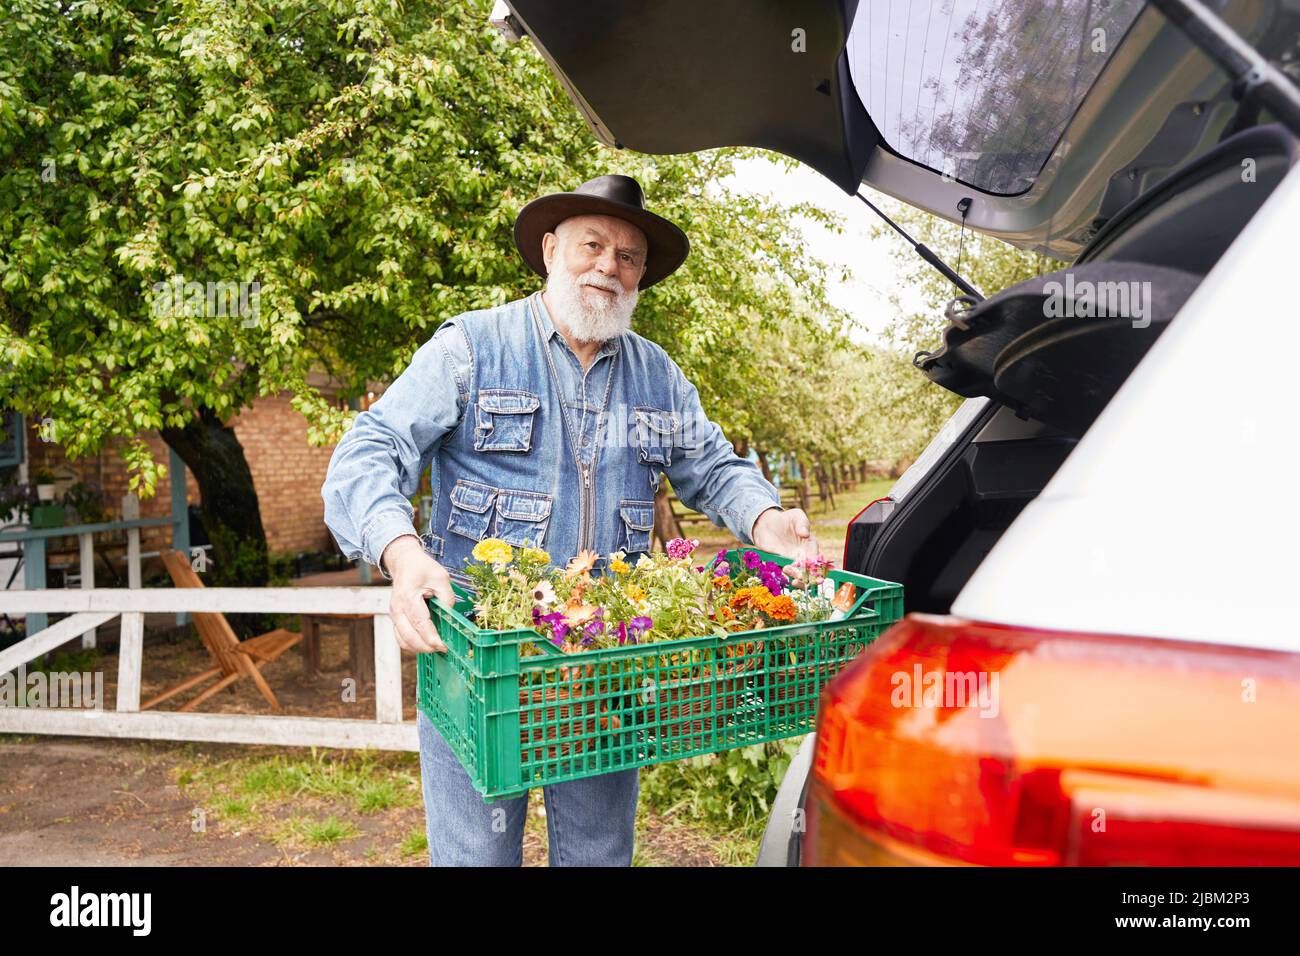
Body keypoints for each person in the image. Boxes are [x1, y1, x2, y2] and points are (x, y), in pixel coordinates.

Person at [321, 174, 818, 866]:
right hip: (481, 668)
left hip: (605, 664)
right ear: (552, 250)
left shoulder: (658, 376)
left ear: (642, 276)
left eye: (629, 257)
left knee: (597, 854)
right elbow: (371, 449)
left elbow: (713, 466)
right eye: (593, 245)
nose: (608, 267)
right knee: (476, 857)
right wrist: (402, 554)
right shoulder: (473, 347)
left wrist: (767, 521)